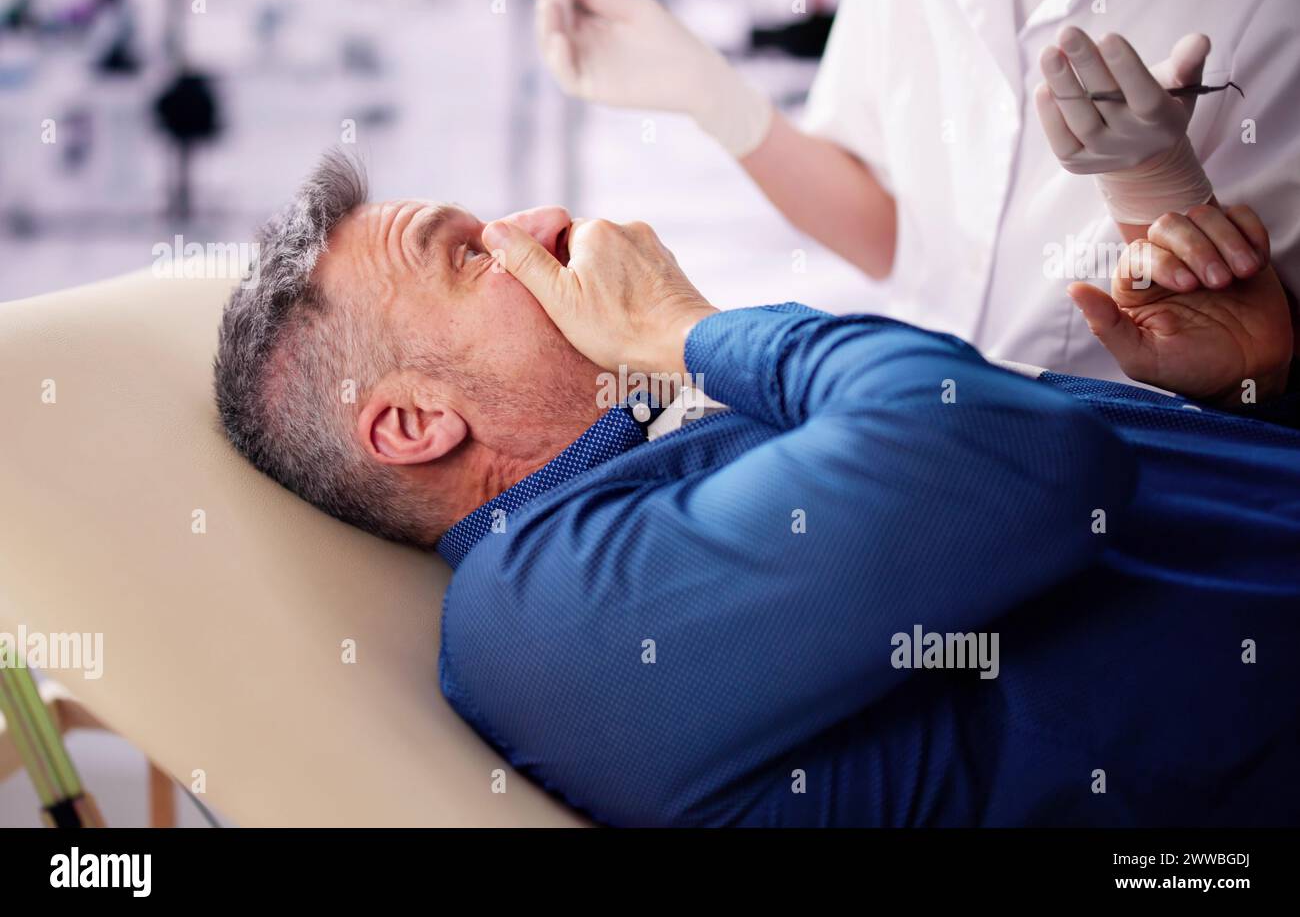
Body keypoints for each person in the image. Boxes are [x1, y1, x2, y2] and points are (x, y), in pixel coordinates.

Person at [214, 150, 1298, 825]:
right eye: (466, 255)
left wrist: (1239, 399)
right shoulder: (542, 619)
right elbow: (1020, 461)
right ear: (413, 424)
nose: (539, 223)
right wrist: (681, 328)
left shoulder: (685, 449)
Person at [519, 0, 1300, 383]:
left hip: (1144, 476)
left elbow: (1256, 365)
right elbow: (895, 236)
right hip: (929, 430)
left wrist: (1157, 190)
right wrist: (710, 93)